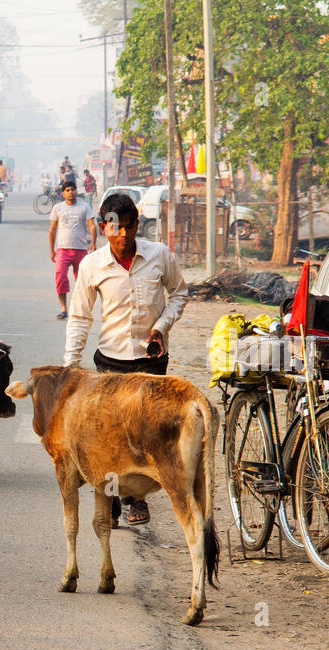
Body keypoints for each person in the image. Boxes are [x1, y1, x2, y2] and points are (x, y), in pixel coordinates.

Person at [63, 190, 188, 527]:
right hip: (111, 363)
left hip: (150, 361)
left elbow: (179, 293)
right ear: (103, 227)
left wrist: (161, 327)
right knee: (113, 436)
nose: (122, 236)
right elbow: (79, 317)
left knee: (146, 433)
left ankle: (137, 497)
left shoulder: (159, 255)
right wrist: (70, 366)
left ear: (136, 226)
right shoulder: (91, 265)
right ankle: (119, 497)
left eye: (129, 227)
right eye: (114, 228)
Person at [48, 179, 97, 320]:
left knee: (81, 281)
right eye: (68, 190)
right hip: (63, 249)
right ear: (63, 193)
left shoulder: (84, 207)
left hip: (80, 250)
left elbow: (92, 226)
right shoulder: (58, 208)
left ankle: (79, 308)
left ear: (76, 191)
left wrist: (93, 243)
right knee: (61, 277)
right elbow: (52, 230)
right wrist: (52, 250)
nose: (71, 192)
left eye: (73, 189)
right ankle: (64, 308)